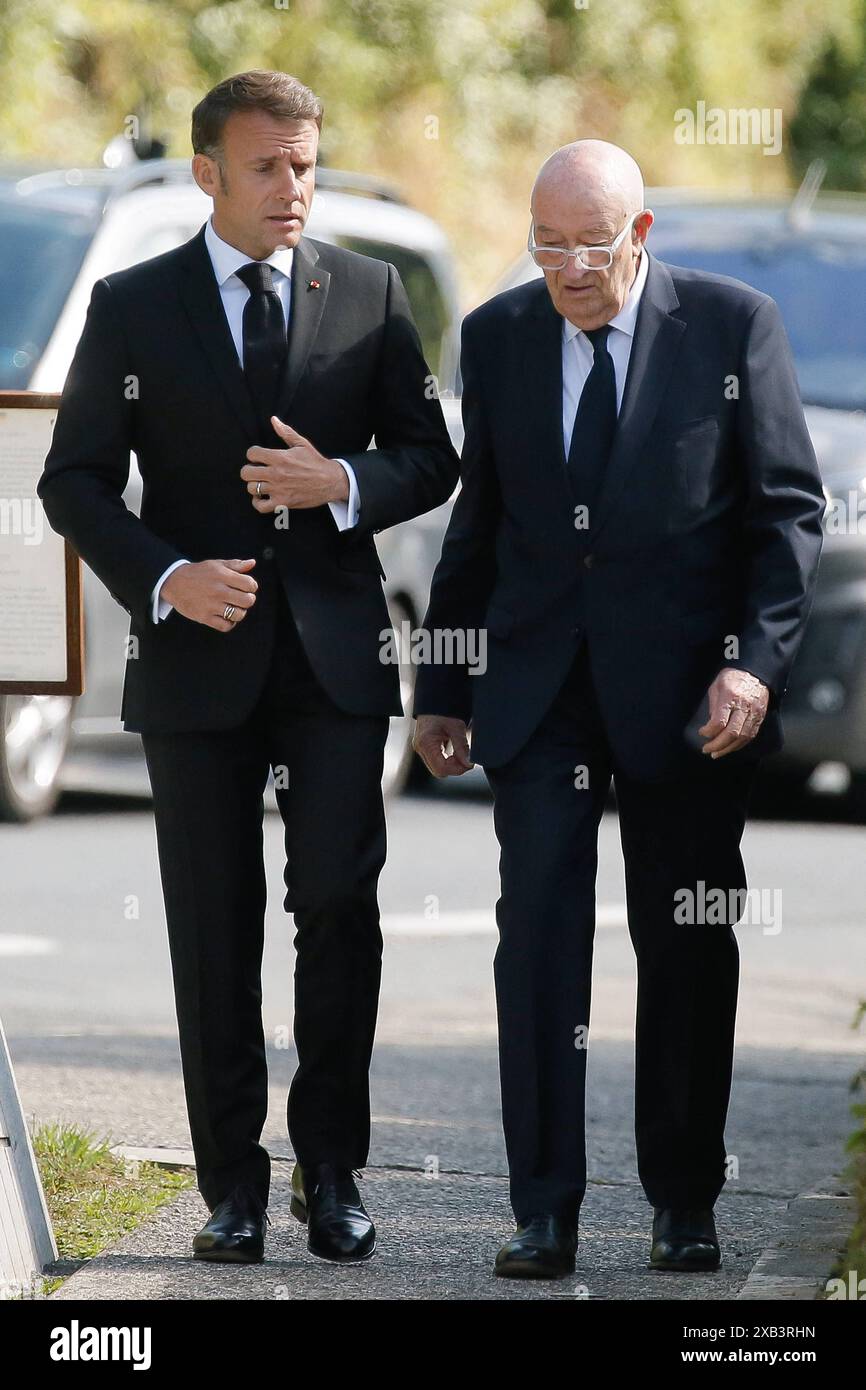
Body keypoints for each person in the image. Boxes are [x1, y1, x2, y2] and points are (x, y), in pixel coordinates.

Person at [39, 69, 459, 1265]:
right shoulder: (132, 303)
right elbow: (71, 478)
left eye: (306, 164)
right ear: (207, 173)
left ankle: (332, 1173)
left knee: (337, 904)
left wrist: (345, 486)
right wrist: (169, 578)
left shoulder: (370, 294)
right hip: (194, 660)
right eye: (268, 165)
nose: (292, 187)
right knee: (210, 926)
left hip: (334, 659)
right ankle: (229, 1183)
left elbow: (430, 457)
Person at [412, 139, 824, 1279]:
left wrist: (751, 665)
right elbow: (477, 527)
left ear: (638, 236)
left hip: (693, 701)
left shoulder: (731, 328)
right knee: (535, 942)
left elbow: (786, 516)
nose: (566, 268)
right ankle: (541, 1208)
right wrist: (441, 687)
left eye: (589, 246)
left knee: (685, 943)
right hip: (541, 694)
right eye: (545, 244)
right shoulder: (498, 336)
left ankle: (682, 1199)